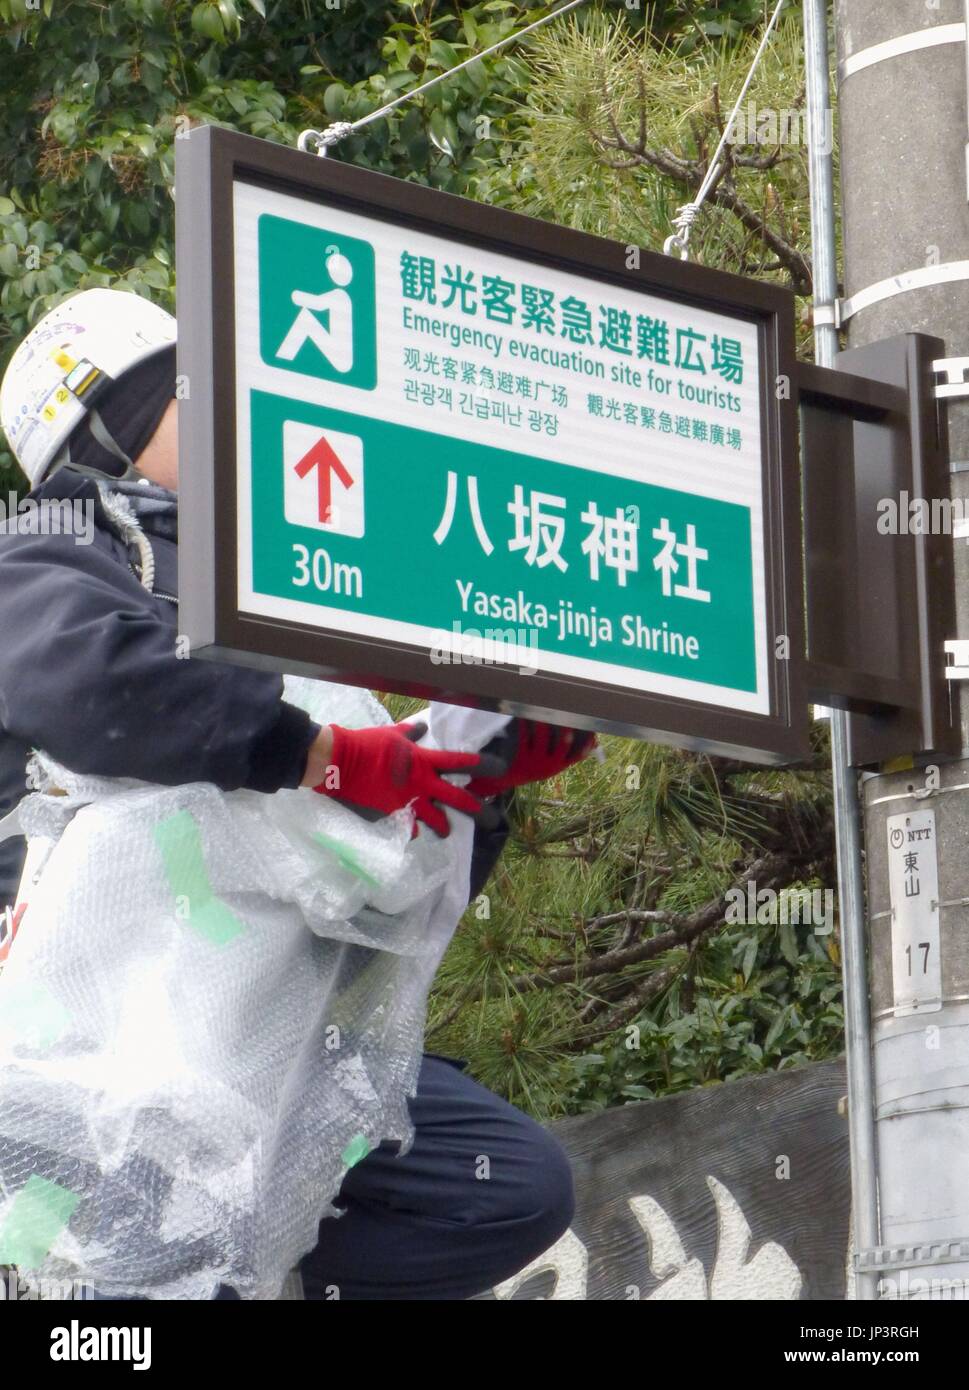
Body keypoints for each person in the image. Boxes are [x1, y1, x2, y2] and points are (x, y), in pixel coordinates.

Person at [0, 287, 594, 1299]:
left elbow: (367, 883)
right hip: (85, 1052)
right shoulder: (52, 552)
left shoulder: (275, 592)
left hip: (263, 1044)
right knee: (104, 1257)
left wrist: (471, 782)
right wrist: (316, 752)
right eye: (183, 398)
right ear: (107, 433)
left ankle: (249, 1272)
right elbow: (100, 687)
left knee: (509, 1186)